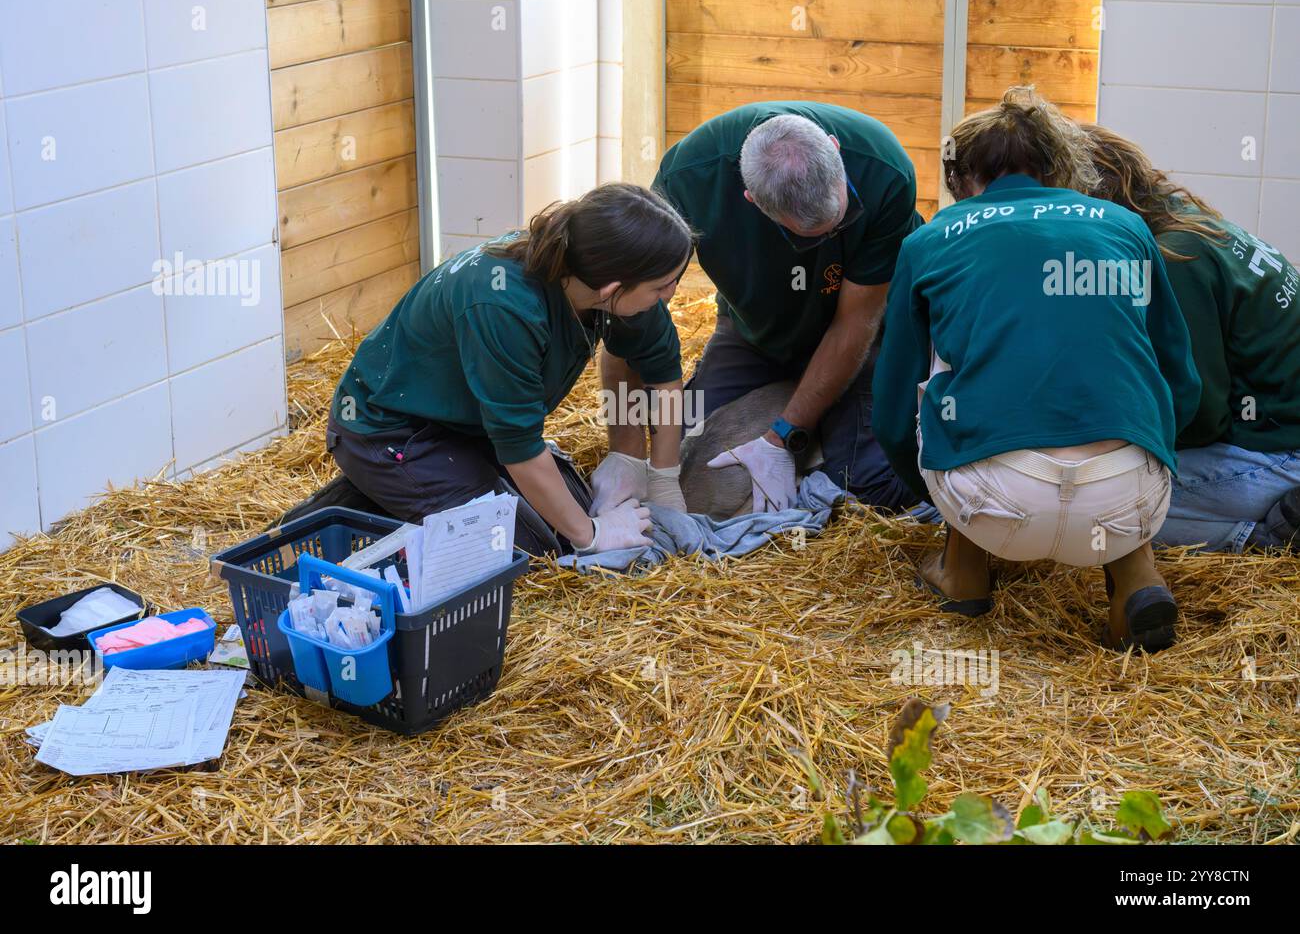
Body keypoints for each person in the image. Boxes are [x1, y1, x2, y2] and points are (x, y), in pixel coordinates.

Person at [872, 88, 1201, 652]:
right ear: (1058, 165)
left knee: (949, 378)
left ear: (961, 174)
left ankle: (963, 571)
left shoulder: (928, 241)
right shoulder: (1123, 226)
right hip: (1129, 501)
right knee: (1118, 388)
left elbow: (893, 408)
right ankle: (1136, 580)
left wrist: (928, 485)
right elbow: (1180, 379)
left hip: (996, 502)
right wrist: (1156, 450)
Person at [326, 183, 694, 556]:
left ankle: (426, 487)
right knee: (530, 551)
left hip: (471, 427)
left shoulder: (605, 279)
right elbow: (519, 447)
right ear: (612, 288)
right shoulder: (506, 306)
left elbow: (661, 370)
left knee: (570, 517)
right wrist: (592, 535)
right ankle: (367, 498)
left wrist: (659, 473)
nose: (672, 293)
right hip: (393, 430)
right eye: (662, 286)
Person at [594, 101, 924, 516]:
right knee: (692, 459)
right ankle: (814, 426)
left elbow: (855, 322)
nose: (833, 235)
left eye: (842, 219)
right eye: (809, 236)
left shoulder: (884, 168)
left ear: (835, 149)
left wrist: (783, 437)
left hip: (866, 335)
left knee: (870, 485)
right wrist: (626, 452)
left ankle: (827, 435)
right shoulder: (687, 183)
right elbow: (630, 321)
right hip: (755, 331)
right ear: (752, 200)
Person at [1084, 123, 1300, 553]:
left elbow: (1202, 418)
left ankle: (1256, 541)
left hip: (1280, 452)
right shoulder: (1189, 220)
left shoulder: (1174, 257)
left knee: (1091, 507)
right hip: (1280, 432)